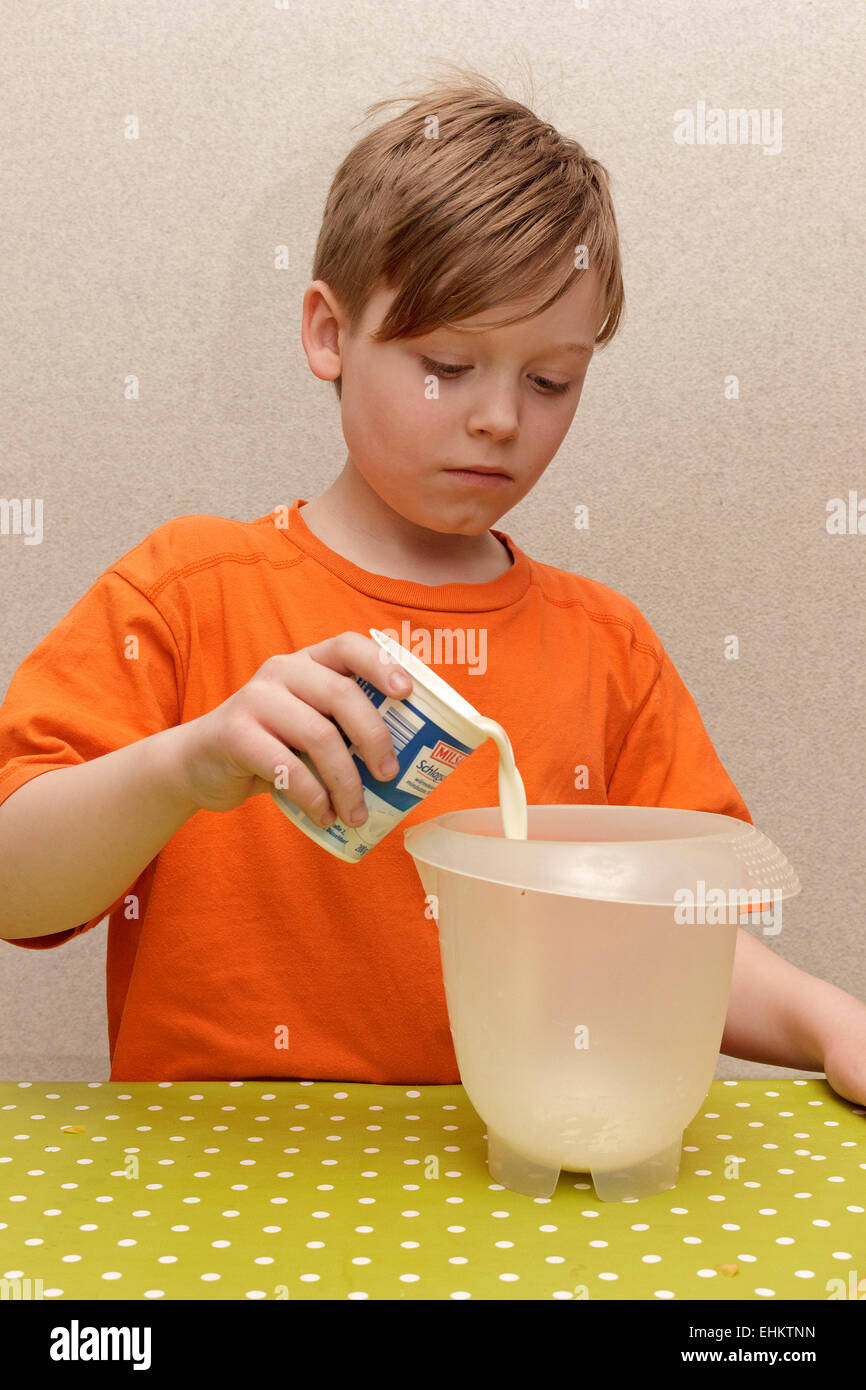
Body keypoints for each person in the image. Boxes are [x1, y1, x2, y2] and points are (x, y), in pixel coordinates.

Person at [1, 70, 864, 1102]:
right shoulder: (189, 592)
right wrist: (186, 762)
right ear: (329, 332)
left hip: (506, 1194)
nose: (499, 417)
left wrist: (827, 1020)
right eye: (446, 365)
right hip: (221, 1195)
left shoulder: (606, 648)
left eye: (549, 380)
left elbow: (677, 937)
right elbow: (18, 885)